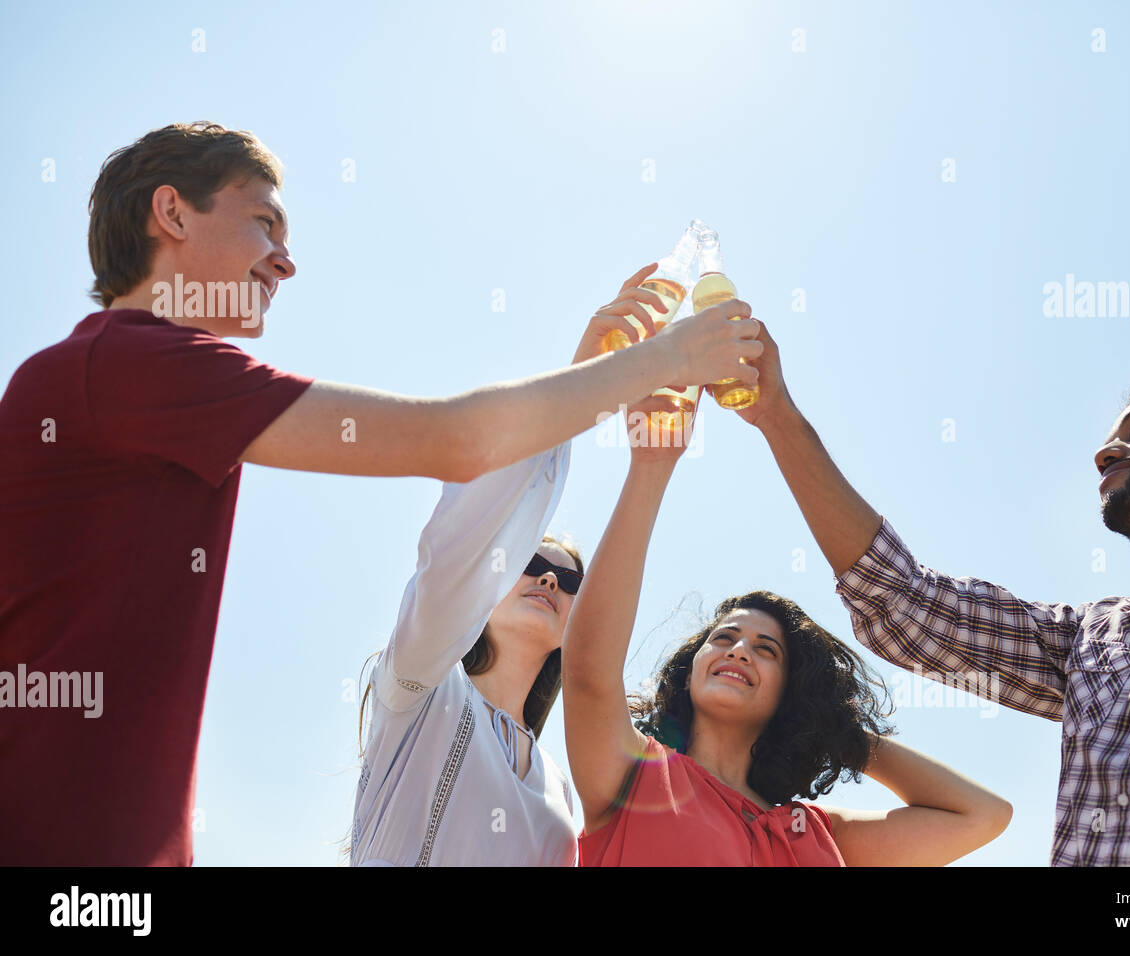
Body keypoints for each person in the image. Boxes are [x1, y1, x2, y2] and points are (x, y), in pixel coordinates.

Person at [0, 121, 761, 866]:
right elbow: (456, 442)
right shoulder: (128, 363)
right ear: (171, 212)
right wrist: (657, 358)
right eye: (265, 222)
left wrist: (591, 375)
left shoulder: (140, 381)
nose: (285, 261)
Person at [732, 320, 1130, 866]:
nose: (1105, 453)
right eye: (1108, 440)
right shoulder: (1096, 636)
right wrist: (775, 416)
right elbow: (903, 599)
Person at [562, 396, 1013, 866]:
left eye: (766, 650)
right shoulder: (636, 774)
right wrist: (650, 467)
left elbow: (982, 815)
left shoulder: (814, 833)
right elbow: (589, 670)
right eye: (723, 637)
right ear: (690, 667)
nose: (738, 650)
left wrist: (836, 729)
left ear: (789, 691)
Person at [349, 437, 582, 865]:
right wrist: (576, 405)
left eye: (569, 582)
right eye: (530, 565)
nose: (549, 581)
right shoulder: (426, 684)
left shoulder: (559, 786)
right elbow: (448, 571)